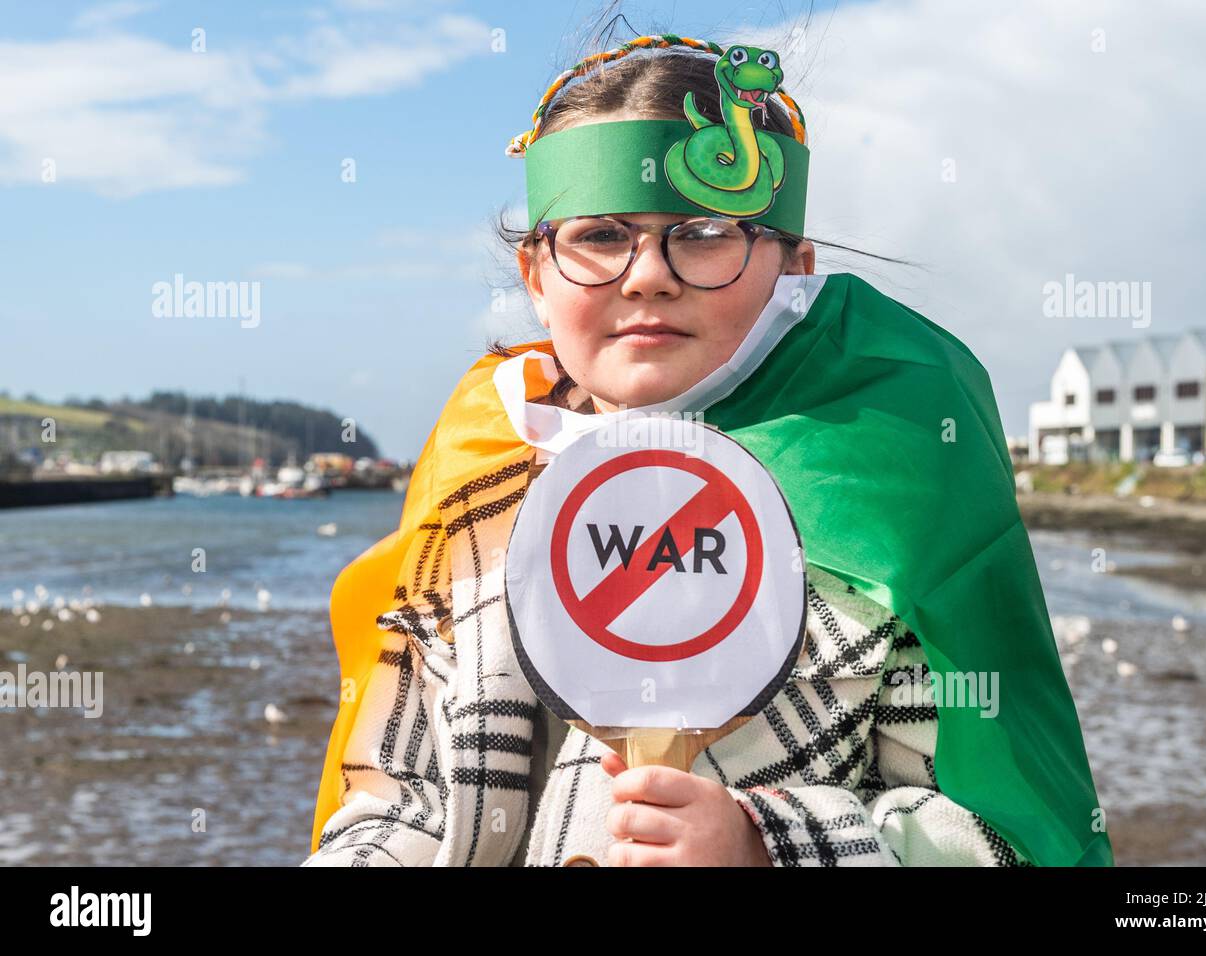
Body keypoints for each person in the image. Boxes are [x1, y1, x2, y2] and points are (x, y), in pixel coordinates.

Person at [302, 32, 1111, 867]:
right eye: (602, 237)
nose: (648, 273)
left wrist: (768, 847)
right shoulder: (476, 501)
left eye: (703, 230)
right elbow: (398, 796)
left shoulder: (890, 504)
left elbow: (998, 835)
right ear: (536, 276)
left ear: (795, 269)